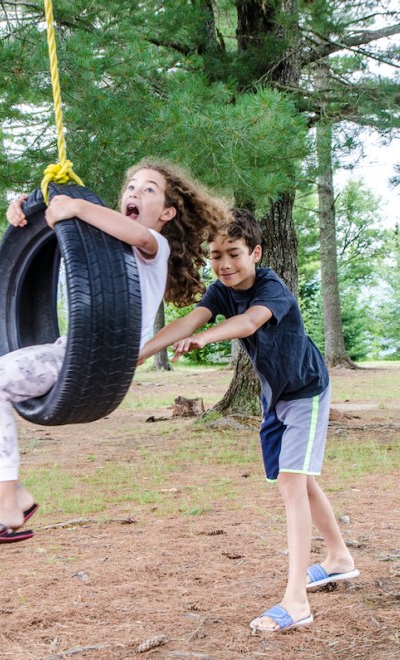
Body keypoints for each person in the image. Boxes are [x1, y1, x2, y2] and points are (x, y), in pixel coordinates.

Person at [0, 160, 228, 549]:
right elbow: (51, 226)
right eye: (130, 186)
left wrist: (77, 206)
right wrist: (26, 211)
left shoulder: (154, 246)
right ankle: (13, 496)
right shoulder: (100, 246)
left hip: (93, 355)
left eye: (149, 190)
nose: (134, 193)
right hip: (75, 352)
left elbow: (137, 234)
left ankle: (7, 501)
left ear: (167, 213)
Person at [137, 209, 358, 632]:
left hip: (307, 392)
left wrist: (205, 337)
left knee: (293, 485)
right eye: (216, 255)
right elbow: (189, 319)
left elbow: (249, 321)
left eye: (234, 254)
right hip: (274, 398)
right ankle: (339, 558)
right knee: (301, 481)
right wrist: (141, 353)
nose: (224, 264)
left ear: (255, 252)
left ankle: (295, 601)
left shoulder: (273, 289)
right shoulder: (222, 289)